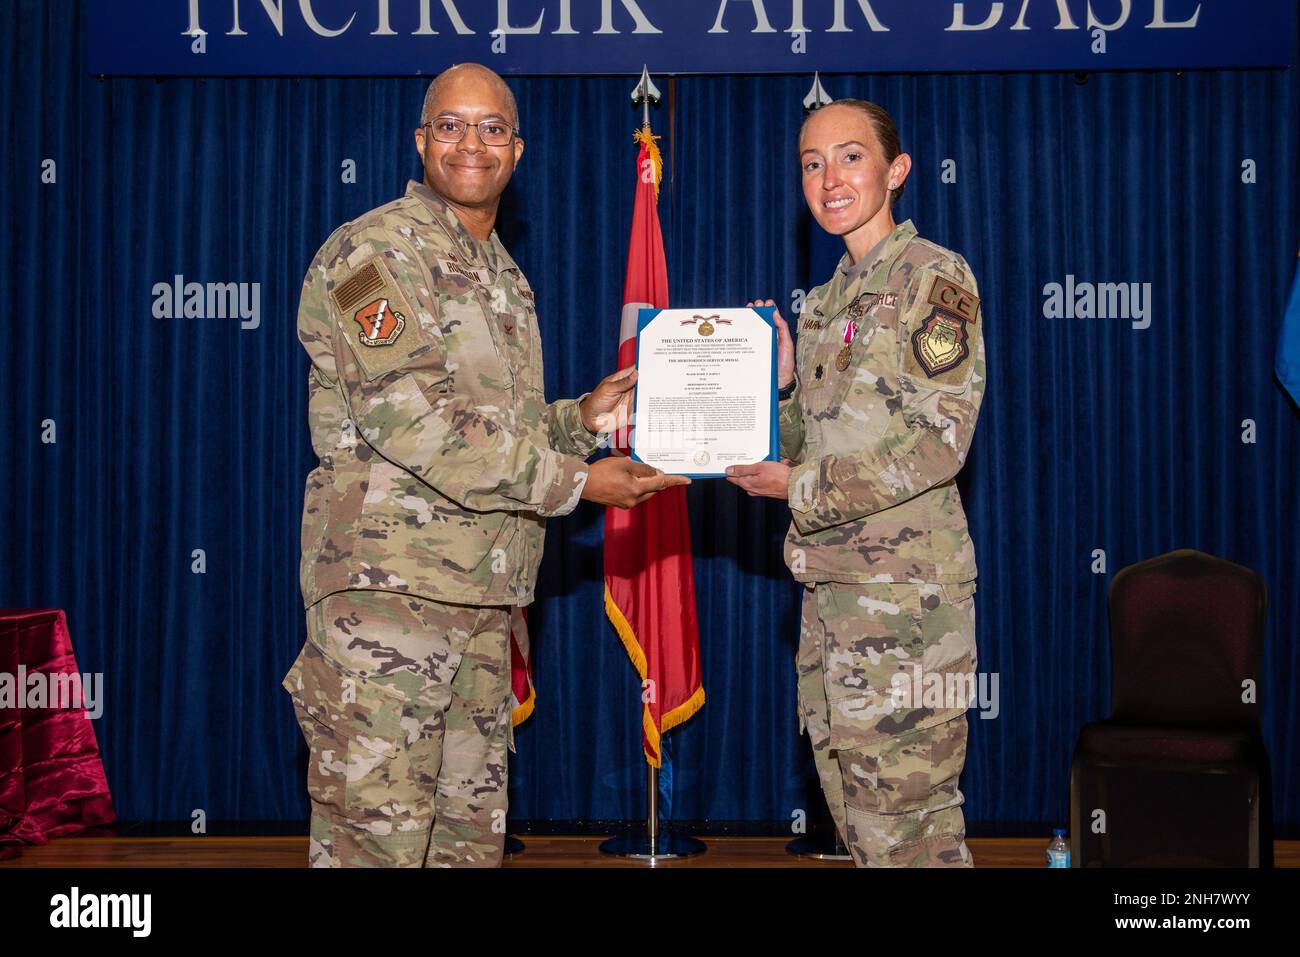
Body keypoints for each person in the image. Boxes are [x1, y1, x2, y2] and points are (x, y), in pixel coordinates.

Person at [282, 62, 686, 868]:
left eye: (492, 127)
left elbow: (493, 429)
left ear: (519, 148)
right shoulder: (375, 253)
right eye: (453, 124)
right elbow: (416, 425)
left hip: (482, 605)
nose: (473, 142)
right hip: (389, 608)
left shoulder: (505, 276)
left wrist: (580, 419)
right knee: (377, 847)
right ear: (421, 139)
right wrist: (580, 483)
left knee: (467, 849)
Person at [726, 99, 985, 867]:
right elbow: (816, 438)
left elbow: (940, 446)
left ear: (895, 171)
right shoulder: (827, 302)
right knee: (858, 821)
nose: (829, 178)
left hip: (907, 606)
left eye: (849, 156)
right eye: (812, 163)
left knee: (913, 829)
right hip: (831, 596)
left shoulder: (933, 278)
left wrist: (797, 488)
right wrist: (779, 387)